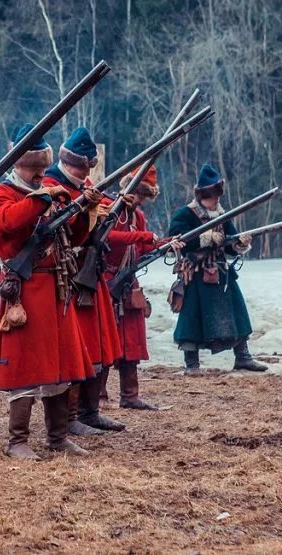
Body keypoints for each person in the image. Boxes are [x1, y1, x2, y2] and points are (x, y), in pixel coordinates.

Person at [0, 123, 98, 461]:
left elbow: (73, 238)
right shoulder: (3, 193)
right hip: (25, 288)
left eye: (40, 168)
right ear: (17, 164)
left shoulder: (46, 191)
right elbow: (6, 223)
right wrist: (42, 199)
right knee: (24, 367)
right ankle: (17, 440)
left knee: (60, 364)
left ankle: (57, 437)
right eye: (32, 168)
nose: (38, 174)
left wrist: (85, 209)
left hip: (55, 286)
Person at [42, 127, 125, 434]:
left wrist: (110, 206)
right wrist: (89, 208)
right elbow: (60, 224)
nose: (83, 174)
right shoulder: (52, 184)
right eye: (80, 168)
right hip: (69, 274)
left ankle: (90, 412)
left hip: (89, 271)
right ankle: (70, 418)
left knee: (100, 343)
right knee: (77, 348)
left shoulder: (82, 186)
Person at [167, 163, 266, 374]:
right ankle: (191, 364)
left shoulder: (222, 215)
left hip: (221, 272)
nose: (216, 201)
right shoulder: (186, 214)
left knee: (237, 311)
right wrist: (205, 237)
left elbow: (230, 242)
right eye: (213, 198)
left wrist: (240, 243)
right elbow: (177, 238)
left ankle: (243, 357)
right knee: (191, 319)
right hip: (195, 272)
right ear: (204, 196)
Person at [102, 166, 170, 409]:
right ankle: (98, 397)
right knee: (104, 340)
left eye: (143, 196)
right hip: (107, 281)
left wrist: (165, 244)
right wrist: (143, 237)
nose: (140, 201)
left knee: (131, 339)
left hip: (128, 282)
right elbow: (108, 239)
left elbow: (141, 249)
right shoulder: (111, 209)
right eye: (138, 194)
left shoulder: (137, 216)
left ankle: (130, 396)